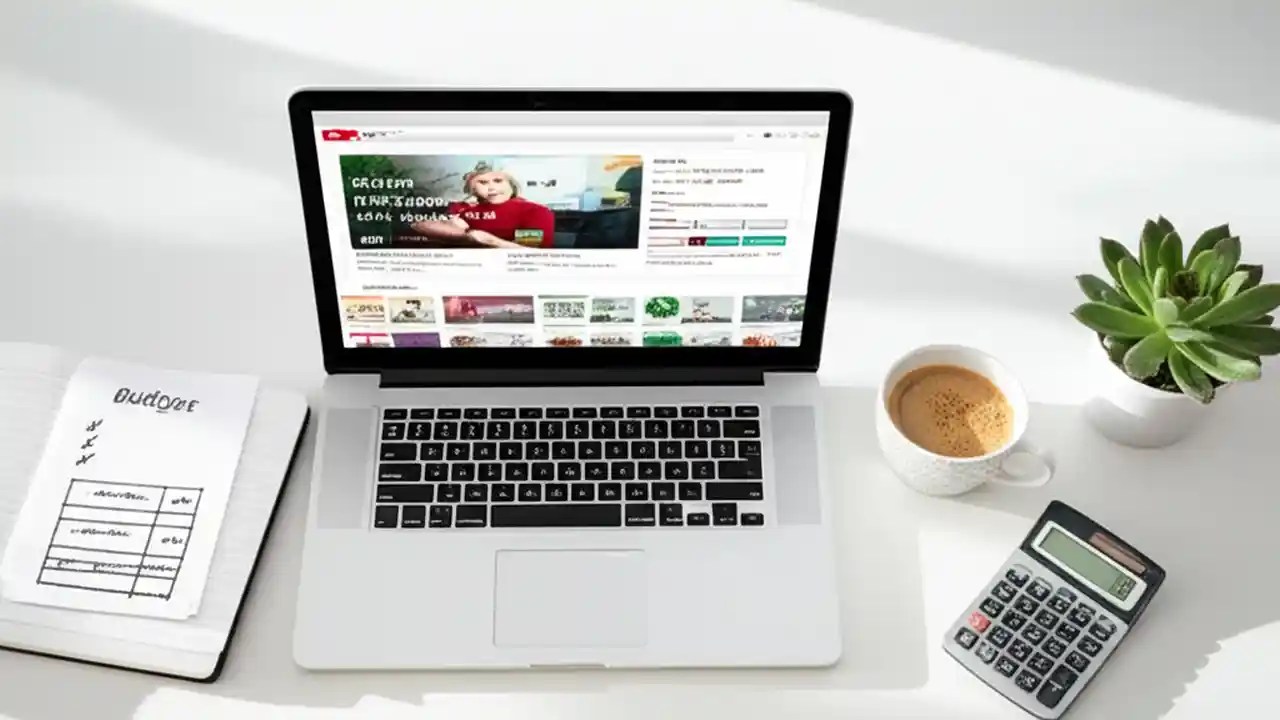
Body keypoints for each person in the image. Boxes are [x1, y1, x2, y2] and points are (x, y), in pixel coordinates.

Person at [409, 162, 556, 248]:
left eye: (498, 181)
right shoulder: (460, 208)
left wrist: (487, 240)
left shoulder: (534, 211)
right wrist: (457, 230)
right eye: (483, 183)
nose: (491, 187)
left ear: (512, 185)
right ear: (472, 189)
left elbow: (530, 253)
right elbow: (418, 225)